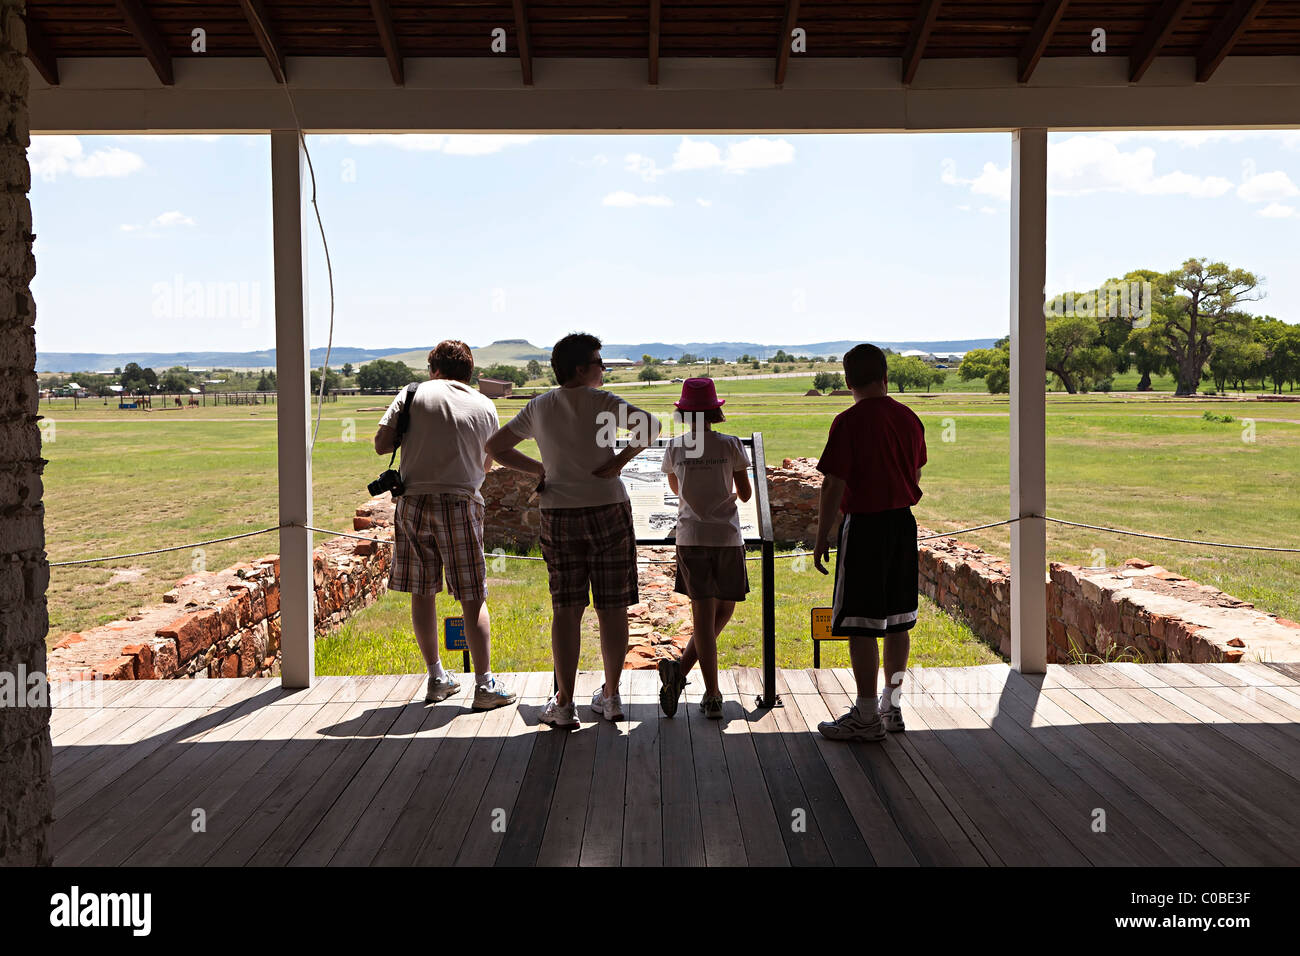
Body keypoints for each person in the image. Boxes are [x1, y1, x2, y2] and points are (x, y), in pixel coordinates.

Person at [485, 332, 655, 727]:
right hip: (609, 507)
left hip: (559, 512)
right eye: (599, 362)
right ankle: (611, 696)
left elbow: (496, 447)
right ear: (582, 369)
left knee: (566, 608)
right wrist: (619, 462)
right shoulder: (605, 403)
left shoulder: (540, 406)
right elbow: (650, 425)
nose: (603, 368)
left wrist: (540, 469)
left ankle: (563, 702)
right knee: (613, 607)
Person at [374, 340, 516, 710]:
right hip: (460, 501)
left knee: (423, 591)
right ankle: (484, 684)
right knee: (472, 596)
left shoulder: (412, 394)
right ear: (468, 371)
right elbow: (487, 465)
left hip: (414, 501)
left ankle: (437, 676)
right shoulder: (485, 405)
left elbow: (380, 443)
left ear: (433, 368)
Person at [812, 343, 927, 741]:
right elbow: (915, 466)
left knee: (860, 623)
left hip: (864, 528)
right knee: (897, 620)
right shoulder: (909, 418)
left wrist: (823, 531)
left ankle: (864, 715)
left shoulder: (848, 422)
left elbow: (833, 482)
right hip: (901, 525)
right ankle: (890, 707)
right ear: (885, 376)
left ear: (847, 381)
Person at [655, 379, 752, 720]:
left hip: (691, 537)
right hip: (726, 537)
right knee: (719, 614)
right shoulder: (730, 444)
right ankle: (711, 694)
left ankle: (681, 674)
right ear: (716, 411)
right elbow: (746, 494)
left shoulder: (676, 447)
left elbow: (675, 486)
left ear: (683, 413)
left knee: (706, 618)